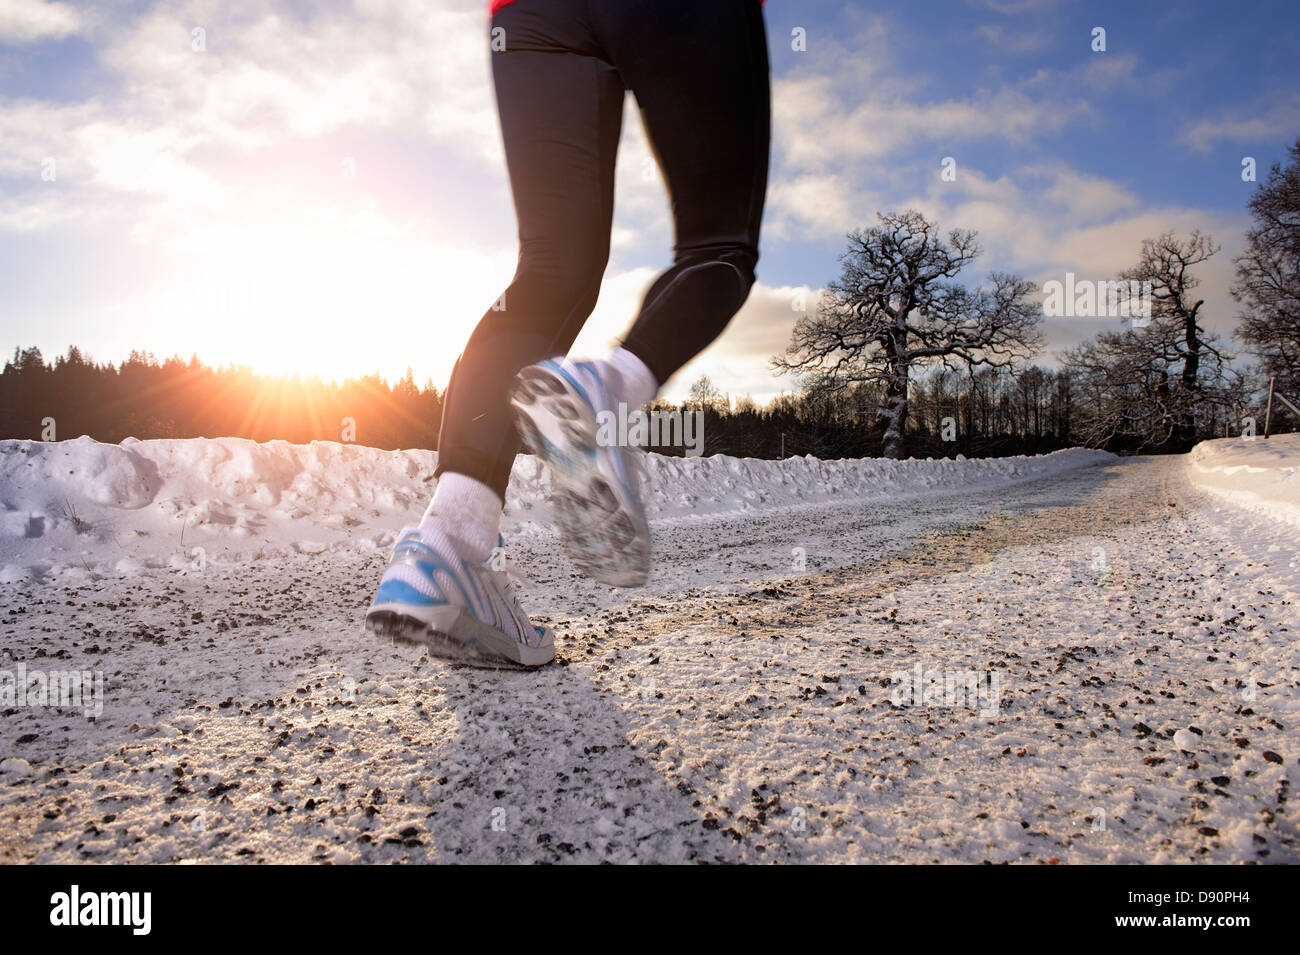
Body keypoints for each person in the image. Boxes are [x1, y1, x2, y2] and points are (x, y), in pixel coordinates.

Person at [365, 0, 770, 667]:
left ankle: (445, 547)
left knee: (549, 271)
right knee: (718, 249)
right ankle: (608, 384)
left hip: (528, 14)